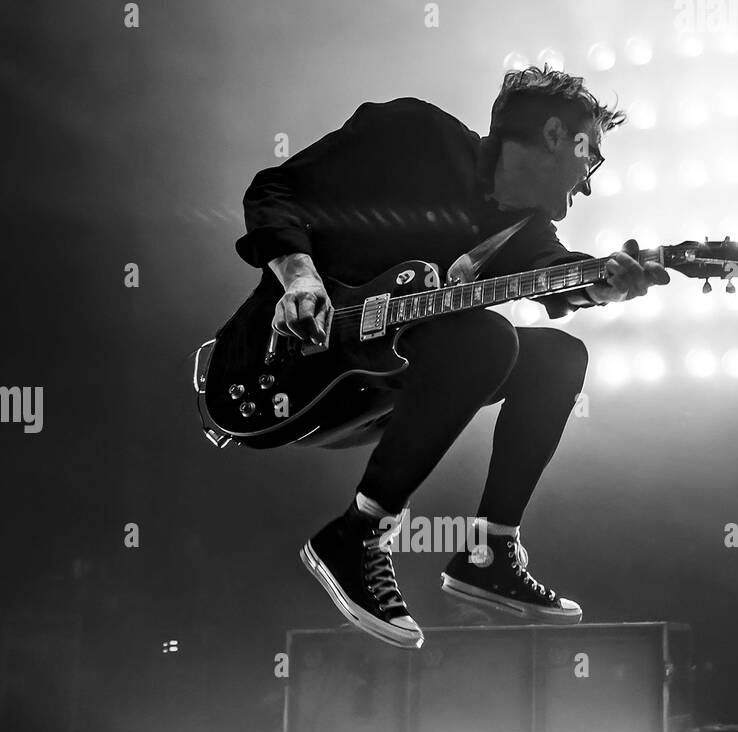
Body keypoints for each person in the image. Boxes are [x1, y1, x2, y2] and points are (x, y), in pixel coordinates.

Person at [236, 66, 669, 647]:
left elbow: (552, 275)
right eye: (589, 158)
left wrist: (602, 285)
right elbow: (273, 188)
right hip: (290, 363)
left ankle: (490, 551)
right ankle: (356, 535)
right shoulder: (414, 132)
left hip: (381, 389)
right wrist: (299, 278)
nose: (587, 183)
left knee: (559, 356)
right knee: (489, 338)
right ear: (553, 134)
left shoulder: (523, 232)